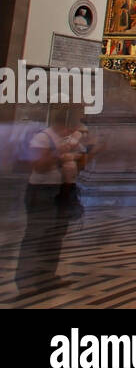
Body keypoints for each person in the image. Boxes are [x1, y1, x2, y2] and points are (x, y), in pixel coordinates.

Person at [14, 115, 74, 294]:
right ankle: (25, 280)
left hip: (60, 190)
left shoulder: (63, 138)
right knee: (36, 235)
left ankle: (46, 276)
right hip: (42, 191)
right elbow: (39, 166)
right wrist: (59, 153)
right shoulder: (42, 137)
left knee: (54, 235)